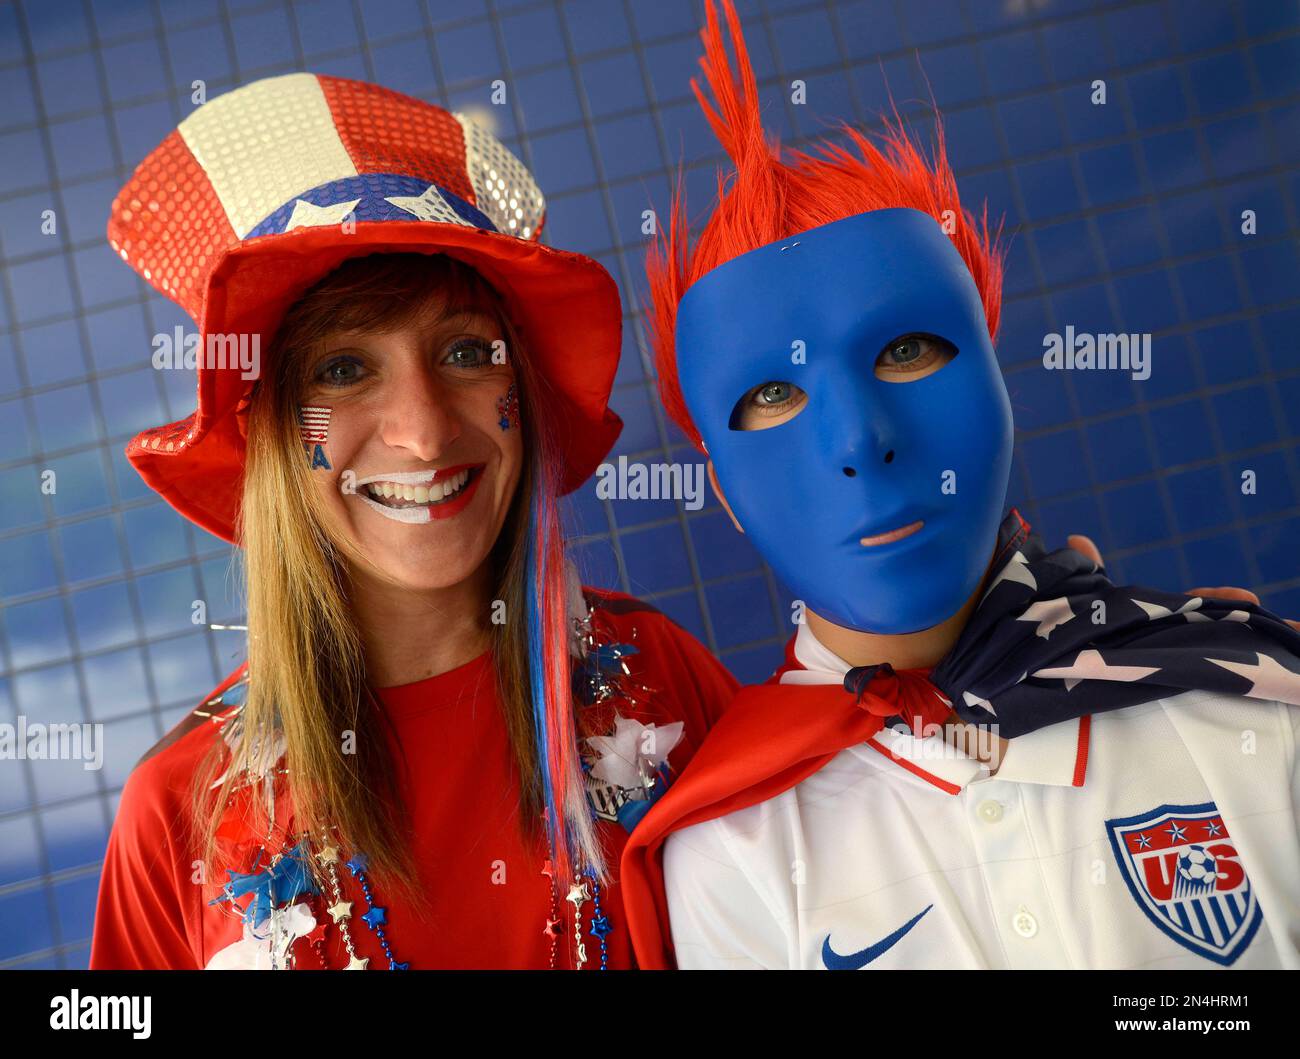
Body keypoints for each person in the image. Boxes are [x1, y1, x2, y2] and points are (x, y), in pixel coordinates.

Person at [619, 0, 1300, 970]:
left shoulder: (1248, 711)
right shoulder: (734, 853)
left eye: (905, 351)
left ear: (996, 382)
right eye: (772, 396)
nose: (860, 441)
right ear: (721, 491)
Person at [87, 73, 738, 970]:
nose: (425, 429)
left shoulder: (665, 682)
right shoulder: (177, 808)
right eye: (344, 370)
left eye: (467, 353)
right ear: (271, 433)